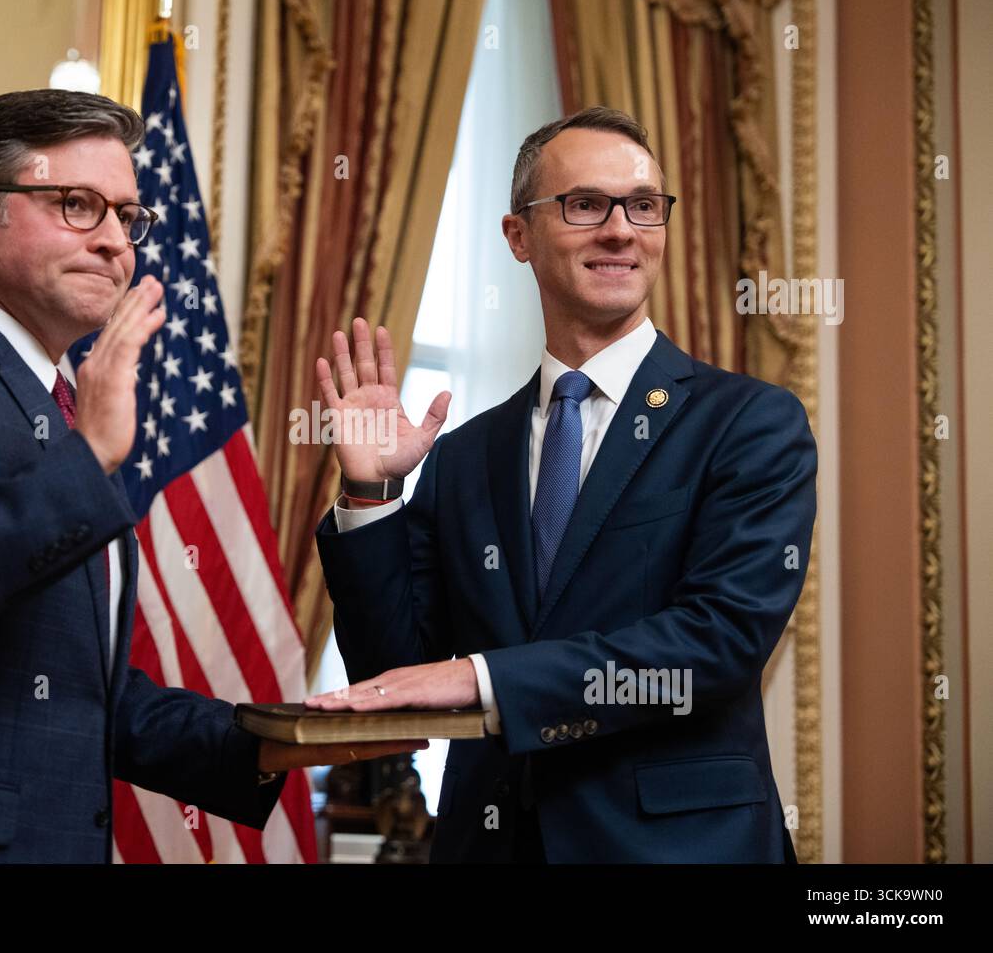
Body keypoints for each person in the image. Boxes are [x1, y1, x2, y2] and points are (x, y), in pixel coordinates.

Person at [0, 89, 417, 863]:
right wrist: (86, 459)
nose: (115, 243)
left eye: (127, 218)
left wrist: (288, 739)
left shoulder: (58, 404)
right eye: (77, 205)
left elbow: (72, 692)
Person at [307, 106, 815, 863]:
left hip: (679, 847)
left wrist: (483, 677)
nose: (620, 230)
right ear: (519, 236)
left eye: (643, 206)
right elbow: (393, 674)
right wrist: (371, 497)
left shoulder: (749, 423)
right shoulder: (466, 453)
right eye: (585, 205)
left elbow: (718, 643)